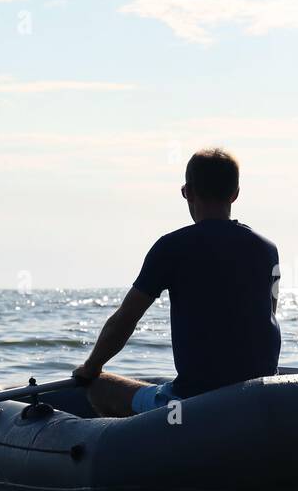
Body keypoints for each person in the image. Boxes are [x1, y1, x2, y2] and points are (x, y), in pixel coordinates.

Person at [72, 148, 281, 416]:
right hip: (258, 395)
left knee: (99, 386)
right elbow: (268, 314)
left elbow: (125, 319)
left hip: (192, 404)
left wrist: (90, 368)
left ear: (188, 192)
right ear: (235, 193)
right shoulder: (267, 249)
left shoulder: (171, 247)